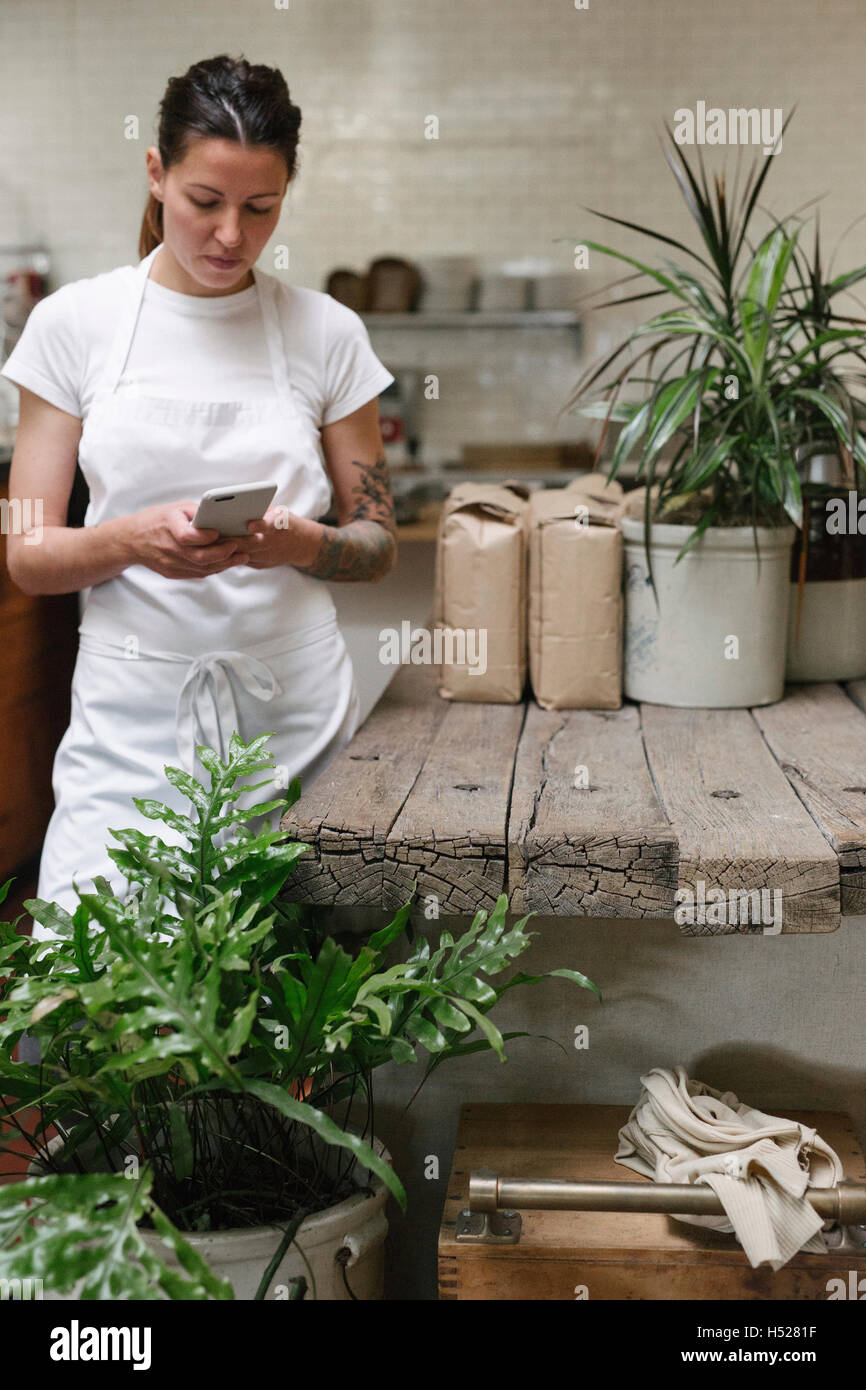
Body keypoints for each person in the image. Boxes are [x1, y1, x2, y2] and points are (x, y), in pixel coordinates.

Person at [1, 54, 397, 927]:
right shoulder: (73, 326)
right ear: (157, 173)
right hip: (128, 733)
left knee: (295, 1024)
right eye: (204, 202)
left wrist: (301, 543)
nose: (230, 236)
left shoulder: (328, 333)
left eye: (261, 209)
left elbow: (376, 543)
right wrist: (131, 540)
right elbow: (29, 557)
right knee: (88, 999)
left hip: (293, 728)